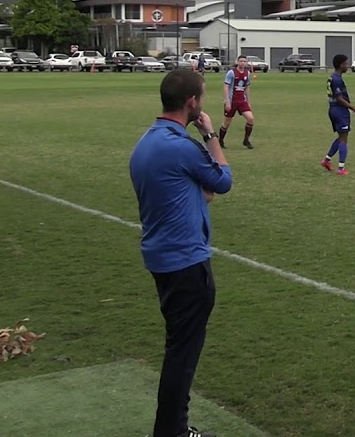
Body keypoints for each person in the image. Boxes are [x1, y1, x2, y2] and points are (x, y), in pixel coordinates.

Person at [129, 69, 234, 437]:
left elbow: (195, 192)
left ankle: (173, 427)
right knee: (182, 357)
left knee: (178, 350)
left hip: (162, 258)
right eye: (201, 96)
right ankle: (172, 431)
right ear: (192, 102)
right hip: (186, 263)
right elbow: (222, 181)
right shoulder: (181, 146)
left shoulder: (147, 141)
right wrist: (210, 135)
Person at [322, 54, 355, 175]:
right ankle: (341, 168)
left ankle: (326, 160)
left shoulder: (332, 77)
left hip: (333, 109)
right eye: (346, 64)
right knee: (344, 139)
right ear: (340, 65)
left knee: (341, 137)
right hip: (339, 111)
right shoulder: (337, 79)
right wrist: (353, 108)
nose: (347, 66)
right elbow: (339, 98)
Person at [218, 55, 255, 150]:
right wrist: (227, 101)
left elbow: (247, 88)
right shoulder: (231, 73)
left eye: (244, 61)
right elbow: (226, 87)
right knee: (226, 123)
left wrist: (248, 101)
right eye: (241, 61)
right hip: (232, 101)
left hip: (242, 101)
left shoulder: (247, 73)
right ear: (237, 62)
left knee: (250, 119)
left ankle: (246, 140)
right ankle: (220, 140)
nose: (243, 63)